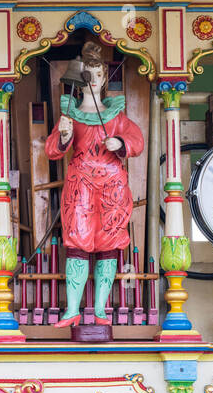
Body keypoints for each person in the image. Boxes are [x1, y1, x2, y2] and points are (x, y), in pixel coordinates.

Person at [45, 41, 145, 328]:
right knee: (76, 240)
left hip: (112, 184)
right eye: (87, 73)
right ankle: (72, 309)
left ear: (103, 78)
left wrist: (120, 142)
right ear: (80, 77)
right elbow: (52, 150)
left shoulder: (117, 115)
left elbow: (137, 140)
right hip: (80, 184)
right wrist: (64, 136)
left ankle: (100, 309)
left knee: (108, 242)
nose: (93, 79)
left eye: (98, 73)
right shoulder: (70, 115)